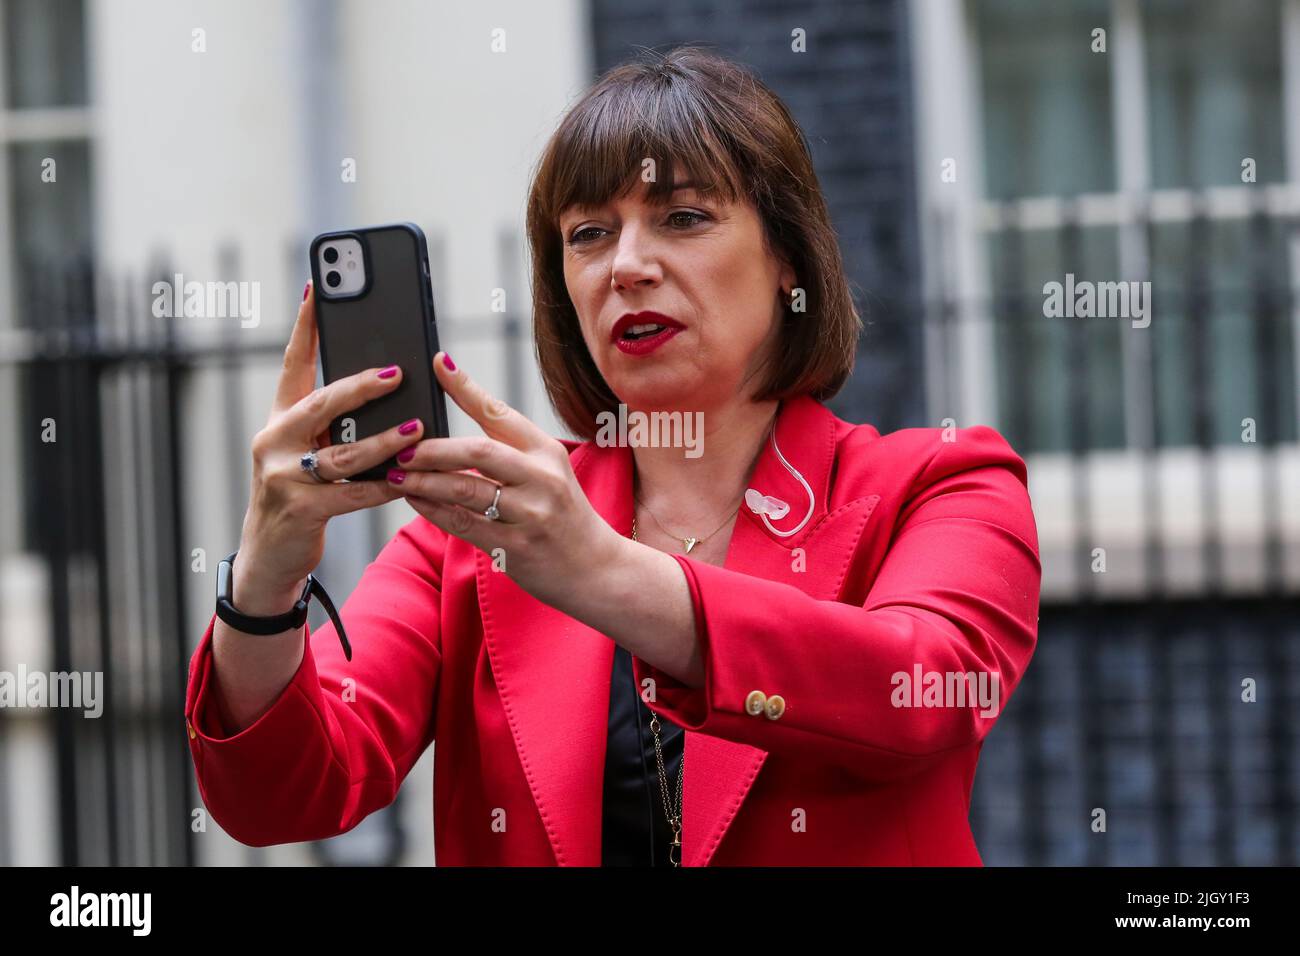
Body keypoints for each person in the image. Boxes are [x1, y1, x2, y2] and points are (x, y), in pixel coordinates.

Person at [184, 45, 1040, 866]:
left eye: (683, 217)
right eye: (589, 233)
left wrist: (596, 569)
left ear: (788, 260)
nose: (626, 265)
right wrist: (263, 584)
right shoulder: (467, 541)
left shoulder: (940, 482)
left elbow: (928, 686)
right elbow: (284, 796)